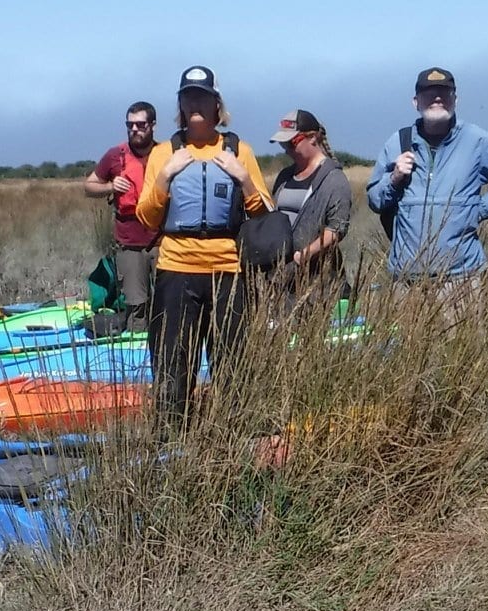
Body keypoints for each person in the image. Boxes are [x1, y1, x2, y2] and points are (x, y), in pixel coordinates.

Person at [132, 66, 274, 427]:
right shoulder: (164, 153)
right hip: (177, 269)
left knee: (232, 360)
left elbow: (263, 212)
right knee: (173, 360)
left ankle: (233, 434)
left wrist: (244, 180)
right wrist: (165, 175)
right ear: (180, 104)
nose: (195, 103)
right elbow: (147, 217)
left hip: (227, 271)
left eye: (203, 97)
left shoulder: (239, 150)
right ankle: (172, 437)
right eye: (188, 97)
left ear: (216, 105)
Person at [367, 68, 488, 286]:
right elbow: (375, 200)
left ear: (456, 99)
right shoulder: (398, 141)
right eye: (429, 93)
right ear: (415, 102)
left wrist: (479, 209)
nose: (437, 98)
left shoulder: (476, 140)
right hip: (406, 278)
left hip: (461, 277)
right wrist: (394, 178)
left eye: (444, 93)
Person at [265, 109, 353, 312]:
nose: (286, 148)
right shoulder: (285, 176)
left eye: (291, 142)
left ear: (312, 138)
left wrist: (303, 255)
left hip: (318, 284)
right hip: (282, 282)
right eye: (282, 143)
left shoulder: (334, 179)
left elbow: (337, 229)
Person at [84, 102, 159, 331]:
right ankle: (138, 352)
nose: (135, 129)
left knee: (169, 300)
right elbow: (89, 186)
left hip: (164, 241)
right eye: (130, 125)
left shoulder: (166, 154)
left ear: (152, 125)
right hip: (130, 242)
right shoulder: (115, 155)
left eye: (140, 124)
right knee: (137, 306)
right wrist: (110, 186)